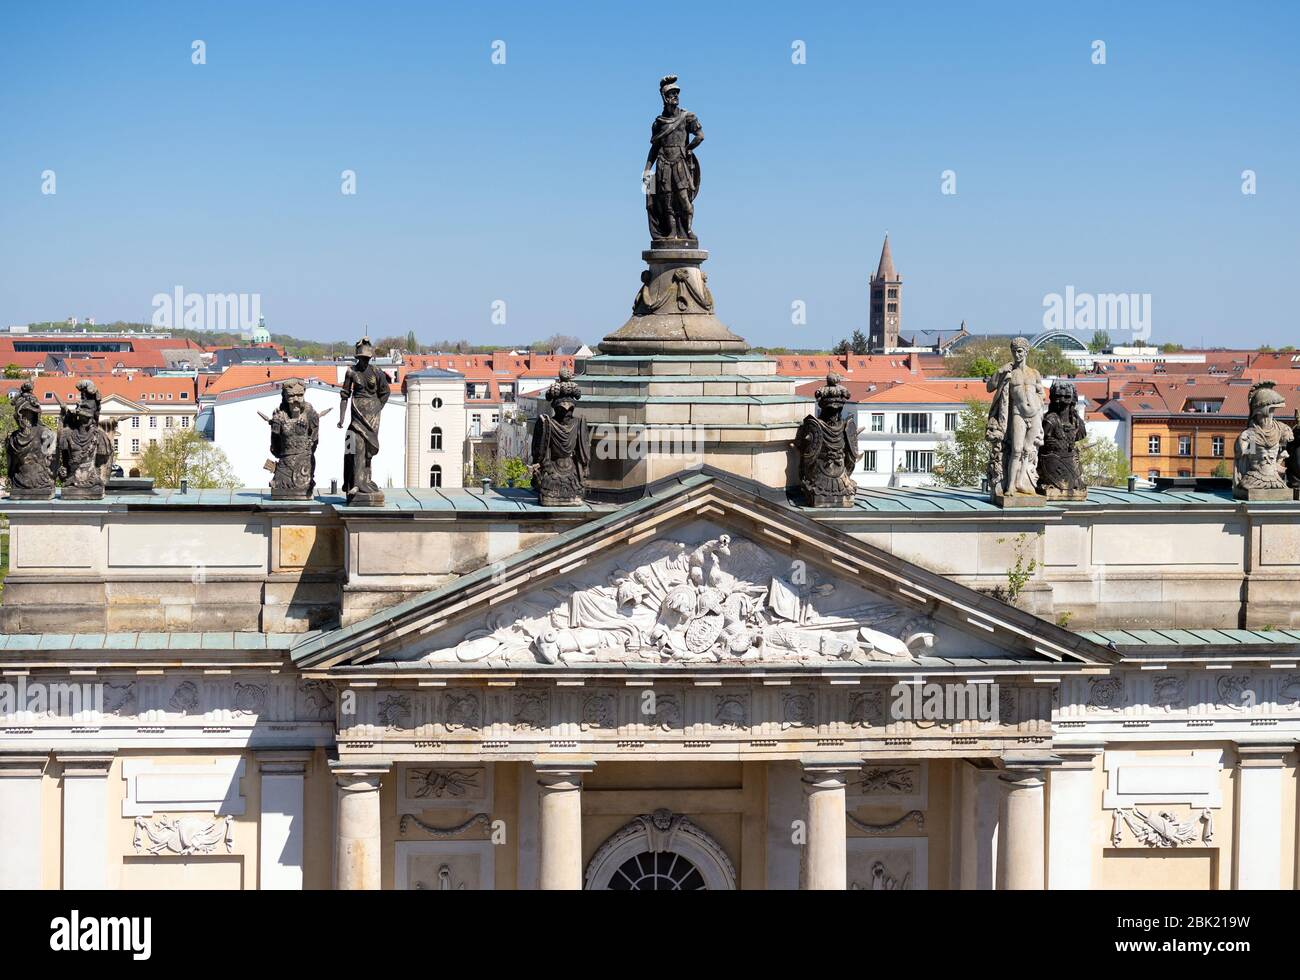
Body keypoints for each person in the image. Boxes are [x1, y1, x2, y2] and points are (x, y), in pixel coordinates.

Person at [338, 336, 390, 499]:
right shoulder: (351, 372)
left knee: (368, 449)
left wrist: (377, 408)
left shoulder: (376, 371)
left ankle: (365, 480)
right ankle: (355, 483)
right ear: (357, 357)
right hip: (357, 414)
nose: (364, 360)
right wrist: (341, 419)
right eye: (362, 358)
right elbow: (345, 395)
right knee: (355, 445)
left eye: (367, 358)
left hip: (372, 415)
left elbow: (385, 392)